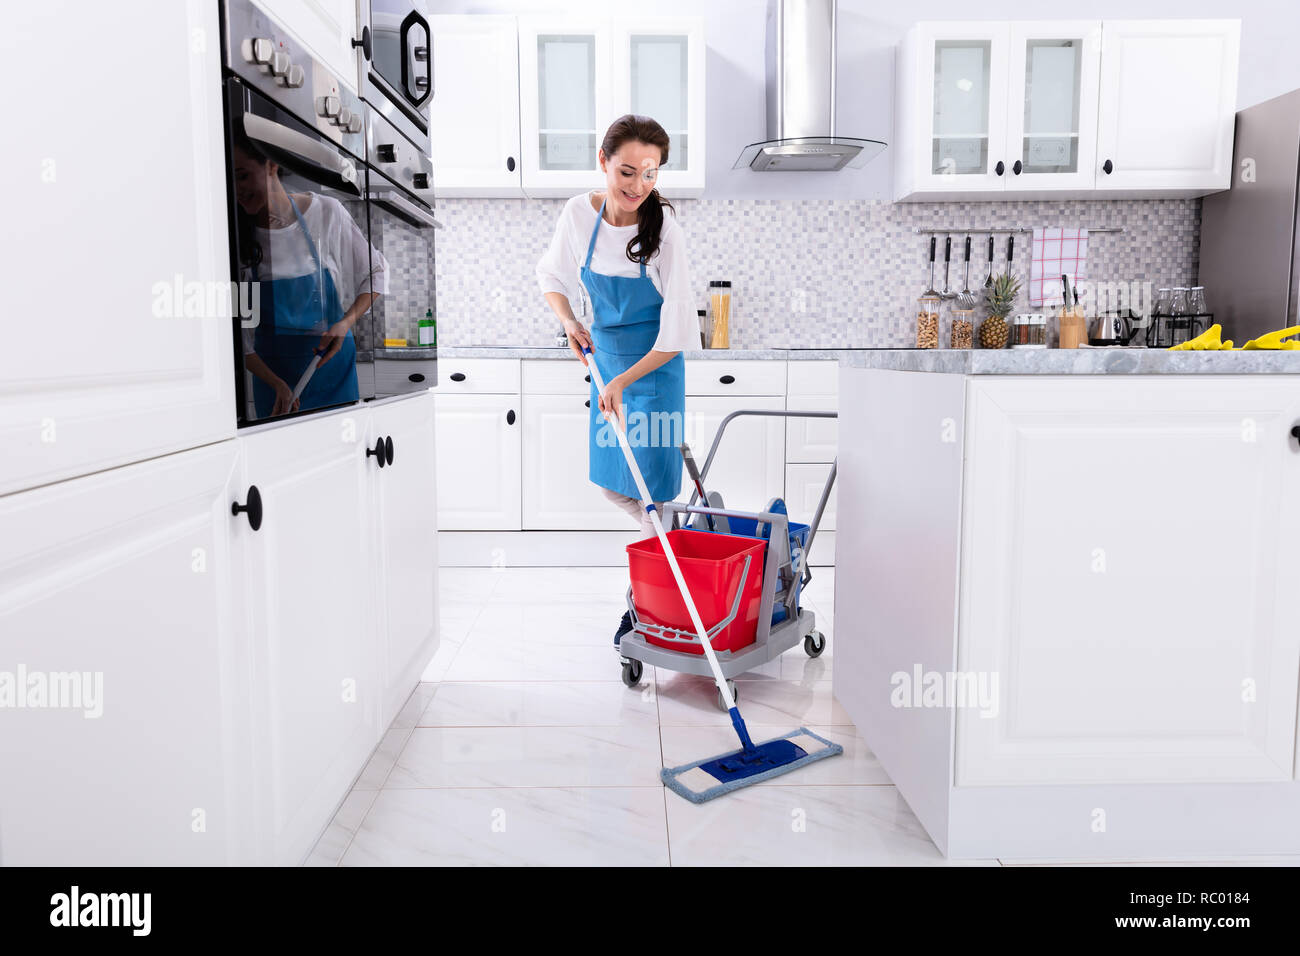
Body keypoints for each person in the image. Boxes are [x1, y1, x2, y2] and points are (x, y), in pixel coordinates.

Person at [536, 114, 699, 648]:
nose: (637, 187)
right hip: (605, 365)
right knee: (613, 482)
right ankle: (676, 569)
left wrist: (623, 382)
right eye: (627, 171)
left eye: (650, 175)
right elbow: (552, 278)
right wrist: (569, 322)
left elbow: (675, 335)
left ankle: (655, 601)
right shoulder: (577, 216)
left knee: (654, 492)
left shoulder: (666, 234)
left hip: (651, 372)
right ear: (602, 162)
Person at [232, 133, 387, 419]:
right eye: (231, 180)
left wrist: (345, 322)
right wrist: (277, 384)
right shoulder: (235, 236)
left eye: (243, 176)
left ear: (271, 165)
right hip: (275, 386)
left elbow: (377, 272)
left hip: (333, 374)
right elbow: (237, 337)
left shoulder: (326, 213)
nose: (237, 189)